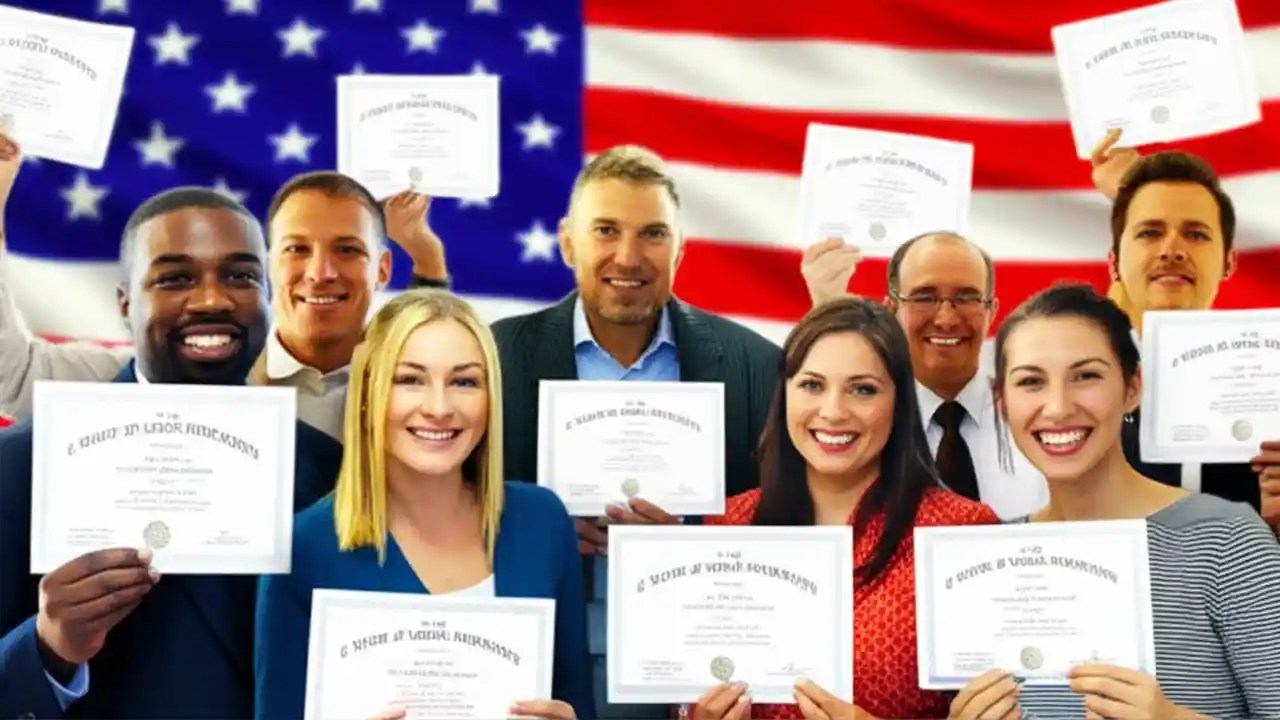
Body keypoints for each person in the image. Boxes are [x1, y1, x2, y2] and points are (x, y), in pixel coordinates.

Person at [0, 187, 343, 718]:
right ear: (124, 303)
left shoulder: (327, 471)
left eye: (241, 276)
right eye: (176, 278)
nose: (213, 299)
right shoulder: (21, 465)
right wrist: (48, 647)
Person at [490, 145, 781, 718]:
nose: (629, 256)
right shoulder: (495, 357)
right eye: (606, 231)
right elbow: (449, 502)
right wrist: (538, 528)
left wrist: (691, 535)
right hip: (537, 661)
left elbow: (786, 518)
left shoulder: (758, 367)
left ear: (679, 248)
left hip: (696, 673)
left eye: (652, 234)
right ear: (568, 241)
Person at [254, 289, 593, 720]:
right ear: (367, 392)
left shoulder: (543, 522)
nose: (439, 407)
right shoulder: (302, 549)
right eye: (409, 379)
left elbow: (576, 698)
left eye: (464, 381)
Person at [949, 283, 1280, 720]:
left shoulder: (1226, 542)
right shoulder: (989, 557)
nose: (1057, 407)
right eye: (1031, 381)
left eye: (1086, 375)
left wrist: (1171, 718)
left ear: (1132, 387)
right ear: (1002, 403)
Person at [0, 132, 450, 438]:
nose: (320, 272)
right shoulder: (172, 371)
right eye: (296, 249)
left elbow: (433, 349)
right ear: (269, 267)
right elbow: (13, 375)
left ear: (383, 269)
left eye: (347, 251)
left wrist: (427, 257)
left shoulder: (411, 390)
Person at [693, 297, 999, 720]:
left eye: (863, 389)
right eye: (812, 385)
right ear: (784, 394)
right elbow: (684, 695)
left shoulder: (962, 533)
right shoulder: (726, 526)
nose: (833, 411)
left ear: (899, 402)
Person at [801, 233, 1047, 520]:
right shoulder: (857, 423)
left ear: (991, 311)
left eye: (966, 298)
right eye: (924, 298)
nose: (946, 319)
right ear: (891, 309)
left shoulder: (1036, 415)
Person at [1100, 150, 1276, 522]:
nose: (1172, 250)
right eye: (1150, 233)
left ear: (1229, 262)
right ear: (1114, 263)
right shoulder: (1072, 387)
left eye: (1196, 234)